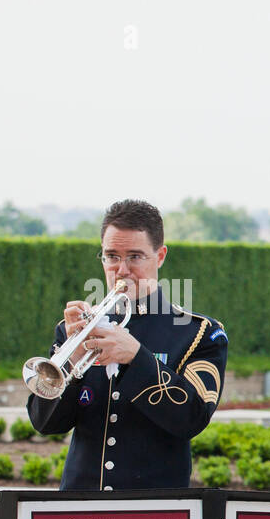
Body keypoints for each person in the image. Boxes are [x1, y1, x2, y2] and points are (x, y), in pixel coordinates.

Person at [27, 199, 227, 490]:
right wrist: (71, 360)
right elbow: (44, 423)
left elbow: (192, 420)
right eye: (111, 256)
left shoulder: (199, 333)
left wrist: (136, 357)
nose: (121, 270)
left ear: (160, 256)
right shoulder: (75, 330)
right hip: (80, 508)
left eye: (135, 256)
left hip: (156, 510)